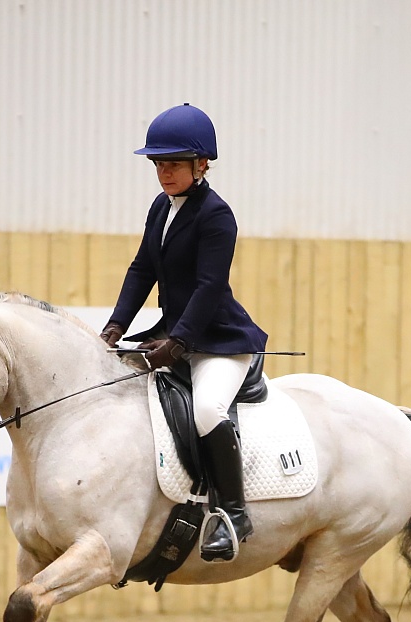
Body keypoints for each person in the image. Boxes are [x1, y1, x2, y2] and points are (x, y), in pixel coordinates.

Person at [101, 103, 268, 562]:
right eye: (158, 164)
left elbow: (209, 286)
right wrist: (115, 326)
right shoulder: (161, 208)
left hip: (218, 341)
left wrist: (180, 342)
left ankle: (234, 514)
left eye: (173, 163)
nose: (164, 173)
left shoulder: (217, 215)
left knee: (208, 409)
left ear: (202, 164)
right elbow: (142, 269)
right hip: (174, 333)